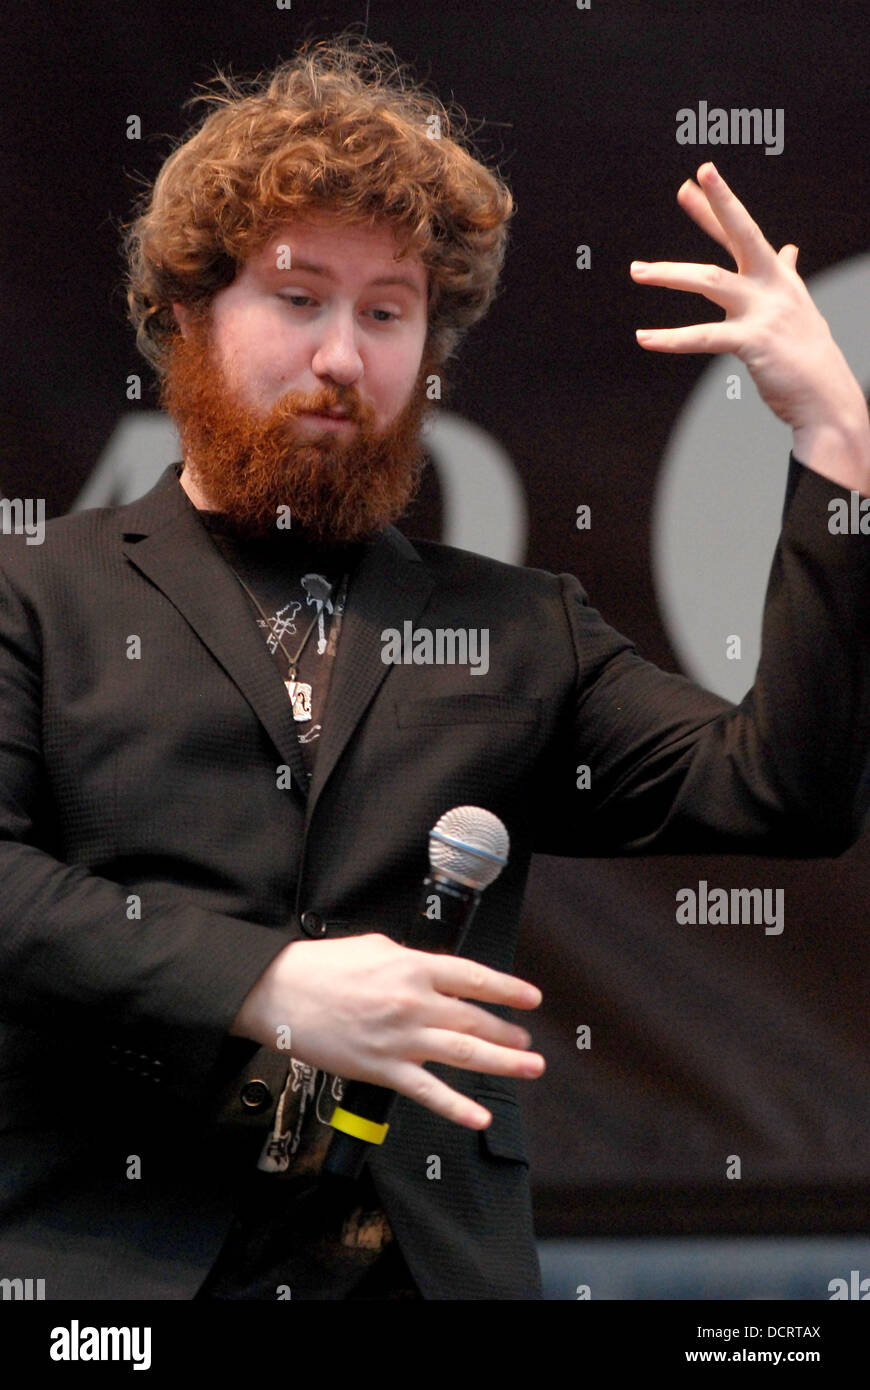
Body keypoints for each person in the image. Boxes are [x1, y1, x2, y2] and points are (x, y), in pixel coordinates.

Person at [1, 33, 868, 1301]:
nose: (344, 357)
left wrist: (836, 446)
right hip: (109, 1281)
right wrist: (266, 980)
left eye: (387, 312)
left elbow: (781, 793)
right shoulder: (38, 590)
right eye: (297, 299)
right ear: (188, 314)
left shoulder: (519, 626)